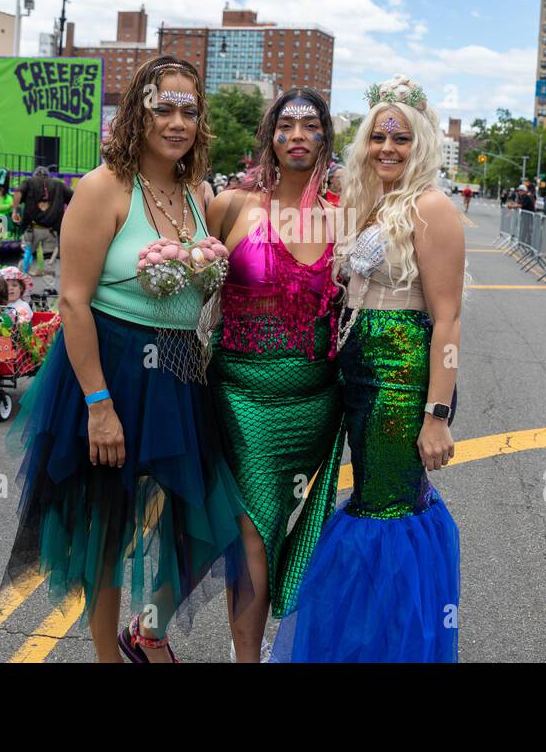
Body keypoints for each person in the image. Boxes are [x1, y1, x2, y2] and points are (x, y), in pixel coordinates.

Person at [2, 55, 249, 663]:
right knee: (104, 530)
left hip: (179, 372)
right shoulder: (101, 188)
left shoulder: (200, 193)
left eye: (189, 109)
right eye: (163, 107)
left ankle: (149, 629)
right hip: (109, 366)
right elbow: (73, 301)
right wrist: (98, 406)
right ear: (137, 112)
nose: (177, 121)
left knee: (215, 519)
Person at [272, 74, 463, 663]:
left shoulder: (431, 208)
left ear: (421, 144)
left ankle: (386, 649)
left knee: (384, 509)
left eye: (401, 139)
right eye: (379, 137)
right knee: (378, 504)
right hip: (355, 376)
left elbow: (448, 322)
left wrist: (435, 415)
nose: (388, 148)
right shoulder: (365, 202)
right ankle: (372, 643)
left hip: (399, 382)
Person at [205, 87, 345, 662]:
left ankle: (276, 640)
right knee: (254, 529)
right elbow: (194, 282)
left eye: (309, 126)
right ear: (269, 136)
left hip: (316, 399)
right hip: (242, 396)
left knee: (297, 524)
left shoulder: (344, 217)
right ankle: (248, 655)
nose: (296, 136)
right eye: (284, 125)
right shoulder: (232, 205)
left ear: (325, 139)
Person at [12, 166, 72, 291]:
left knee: (26, 256)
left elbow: (17, 192)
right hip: (51, 231)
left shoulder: (29, 182)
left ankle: (17, 286)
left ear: (35, 175)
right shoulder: (58, 184)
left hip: (31, 229)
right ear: (48, 175)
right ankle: (49, 288)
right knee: (48, 260)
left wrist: (14, 211)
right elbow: (74, 197)